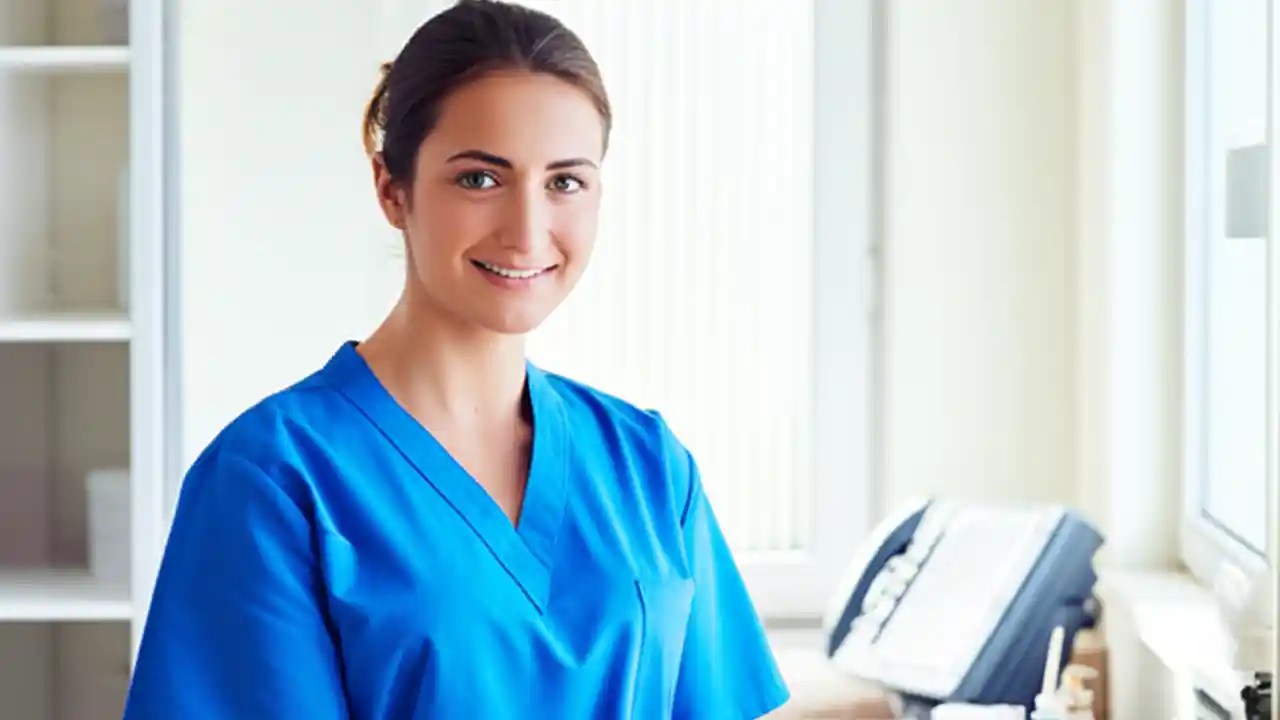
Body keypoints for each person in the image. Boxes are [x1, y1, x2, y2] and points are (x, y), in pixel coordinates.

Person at [123, 1, 788, 717]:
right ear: (392, 190)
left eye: (565, 181)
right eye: (480, 178)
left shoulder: (649, 465)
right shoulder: (274, 478)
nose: (527, 232)